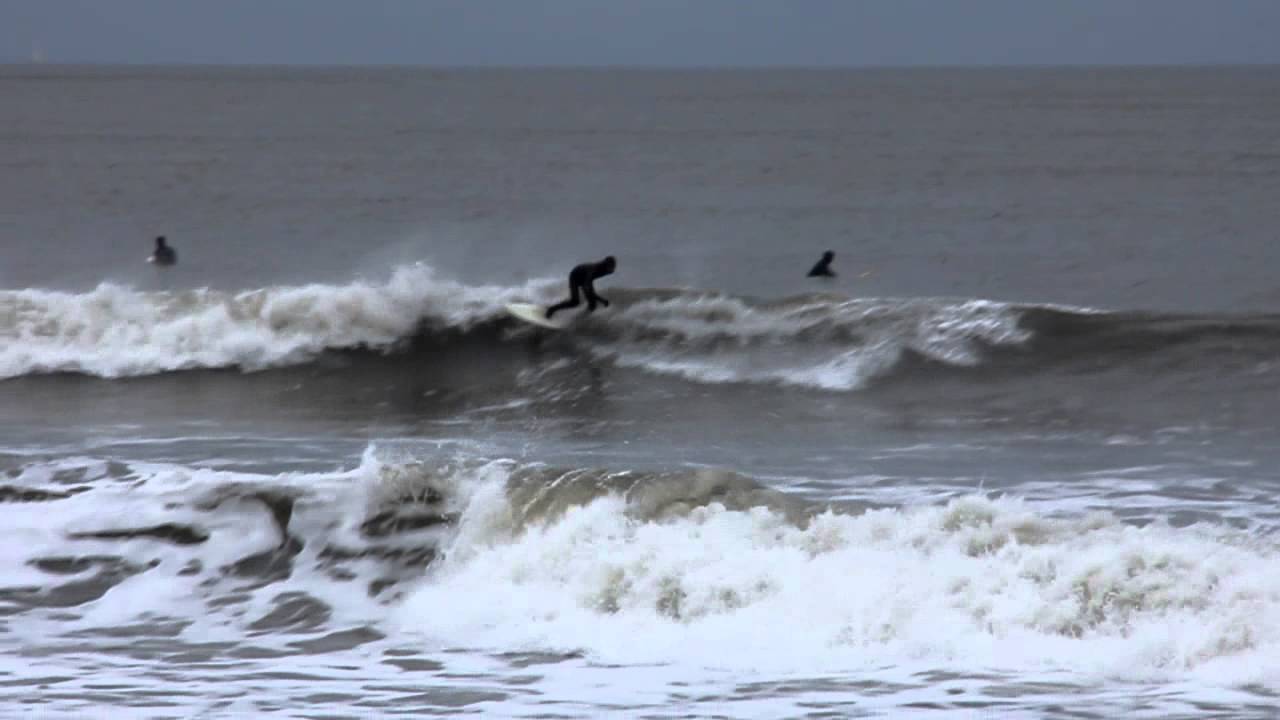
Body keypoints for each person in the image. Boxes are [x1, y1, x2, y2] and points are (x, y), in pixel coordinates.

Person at [546, 256, 616, 319]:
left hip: (585, 277)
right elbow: (587, 287)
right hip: (575, 276)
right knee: (575, 302)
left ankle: (580, 319)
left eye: (613, 266)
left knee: (593, 305)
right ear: (606, 264)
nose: (612, 269)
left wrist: (600, 299)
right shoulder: (594, 269)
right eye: (611, 266)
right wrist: (602, 300)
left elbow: (589, 286)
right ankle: (551, 309)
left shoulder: (605, 270)